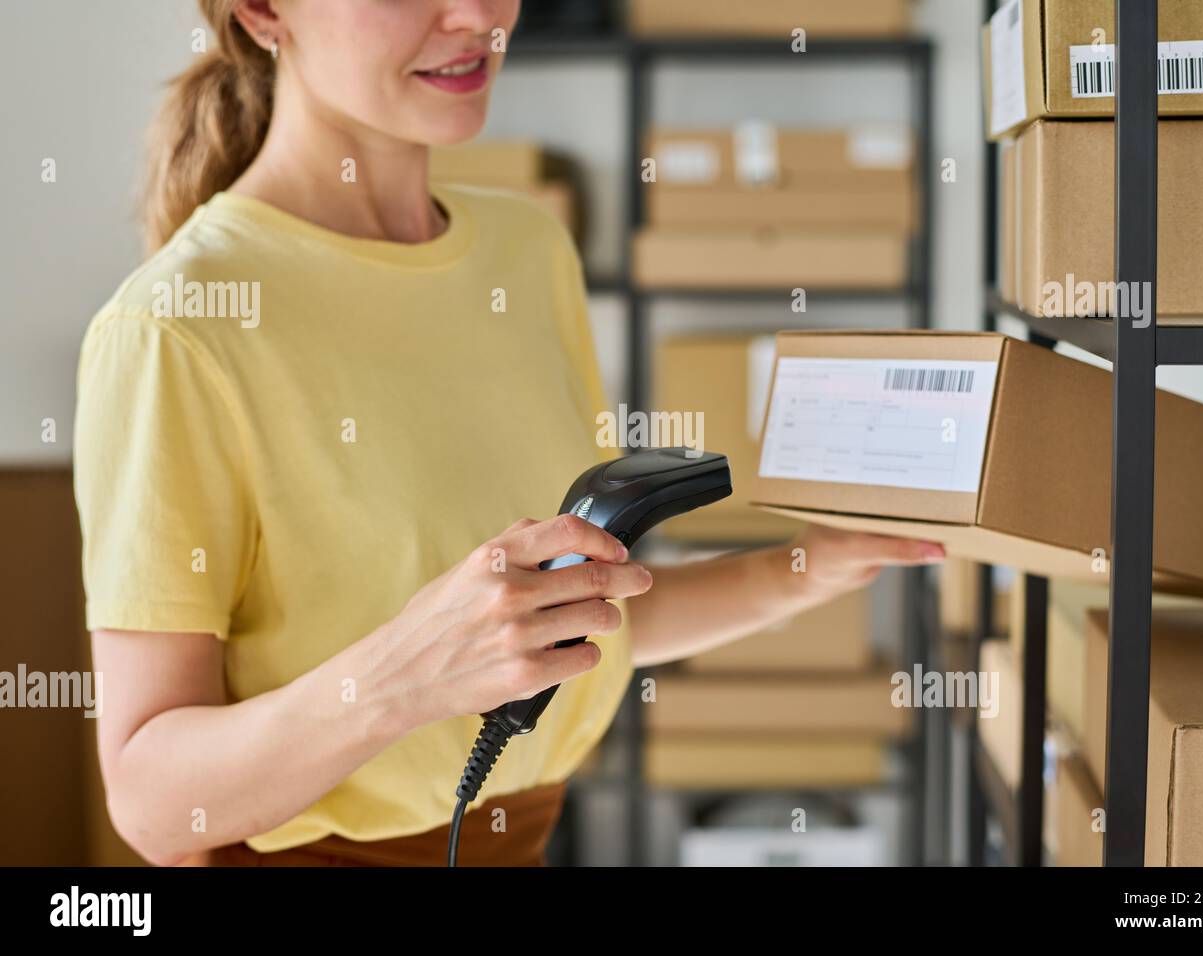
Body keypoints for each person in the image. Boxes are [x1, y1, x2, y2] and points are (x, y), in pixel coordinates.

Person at [73, 0, 945, 868]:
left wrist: (807, 566)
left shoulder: (527, 248)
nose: (476, 14)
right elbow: (153, 805)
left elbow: (570, 612)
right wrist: (399, 681)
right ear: (263, 11)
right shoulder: (175, 328)